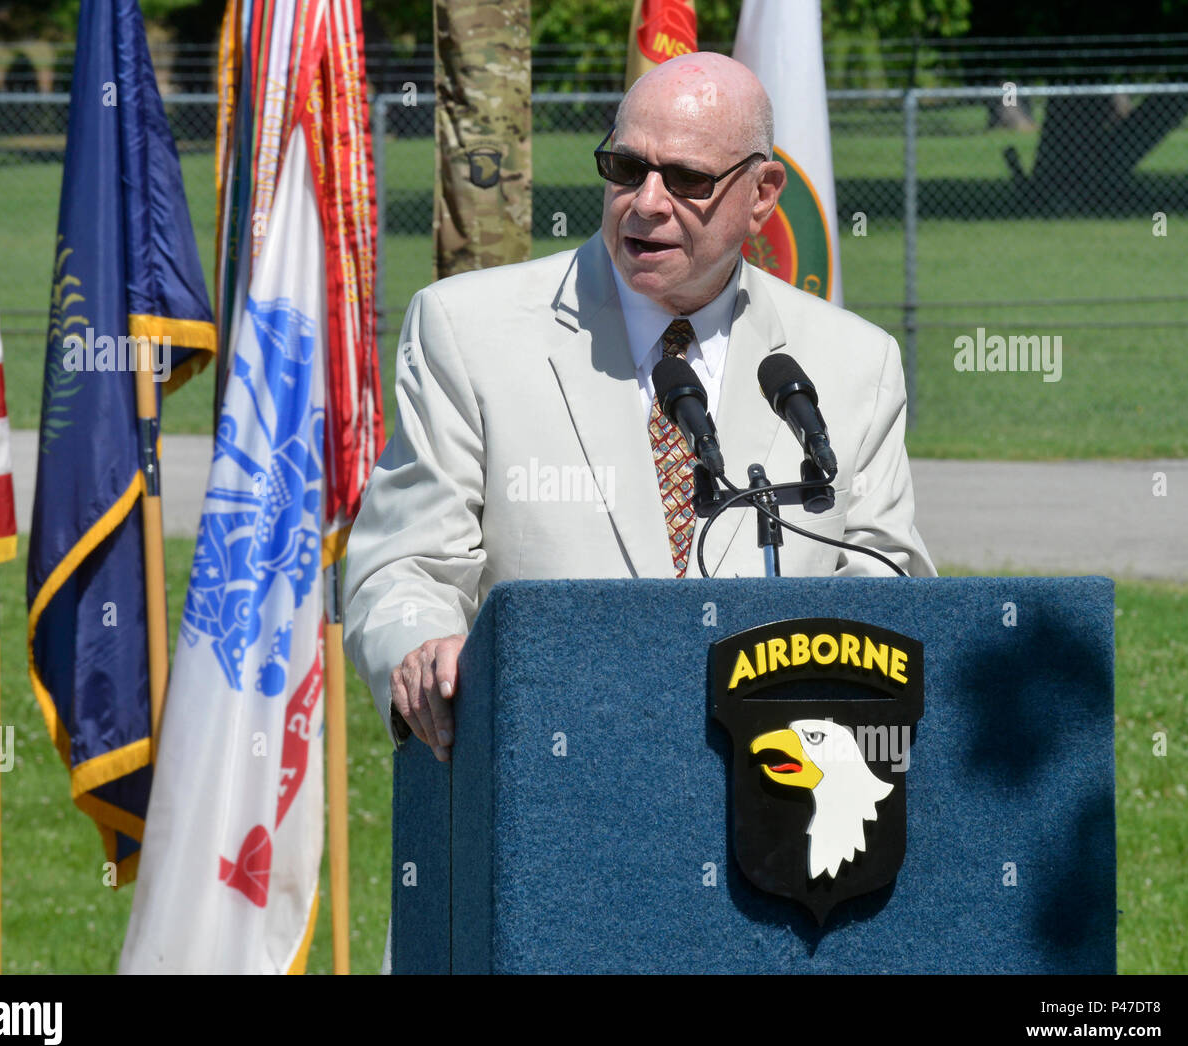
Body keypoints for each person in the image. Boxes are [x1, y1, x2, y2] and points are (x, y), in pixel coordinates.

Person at [343, 52, 935, 763]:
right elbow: (402, 564)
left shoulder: (853, 363)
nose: (647, 202)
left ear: (763, 194)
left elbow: (890, 584)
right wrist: (417, 646)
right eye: (627, 169)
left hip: (777, 800)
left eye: (687, 179)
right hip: (550, 778)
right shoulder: (467, 331)